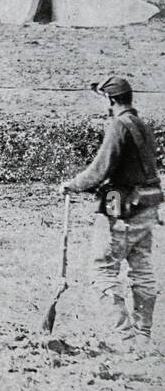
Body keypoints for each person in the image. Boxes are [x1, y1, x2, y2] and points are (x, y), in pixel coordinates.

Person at [60, 76, 162, 345]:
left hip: (122, 208)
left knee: (102, 269)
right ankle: (143, 334)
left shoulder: (119, 126)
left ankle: (125, 336)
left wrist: (72, 185)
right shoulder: (142, 126)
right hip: (147, 207)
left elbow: (100, 169)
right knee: (142, 270)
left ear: (111, 99)